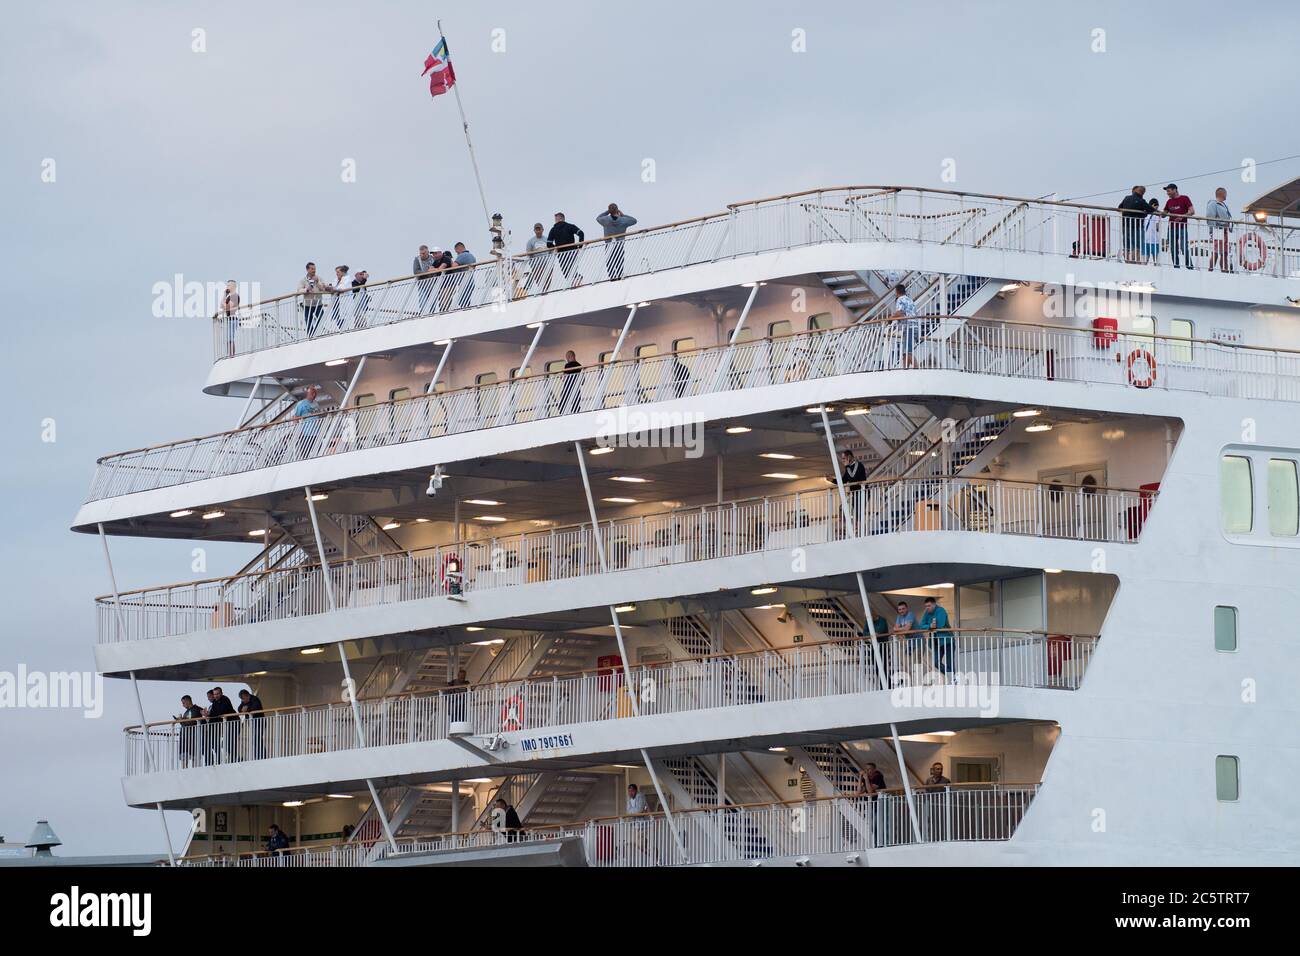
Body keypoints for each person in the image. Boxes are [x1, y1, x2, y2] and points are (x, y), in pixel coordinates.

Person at [596, 203, 638, 280]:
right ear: (617, 210)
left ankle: (612, 276)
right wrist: (623, 215)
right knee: (619, 259)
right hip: (619, 244)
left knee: (609, 260)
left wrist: (607, 212)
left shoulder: (605, 220)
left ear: (609, 210)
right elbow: (634, 220)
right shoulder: (623, 220)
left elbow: (598, 218)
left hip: (609, 243)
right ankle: (619, 274)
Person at [919, 595, 955, 679]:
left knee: (950, 662)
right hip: (935, 642)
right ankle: (949, 676)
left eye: (929, 606)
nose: (927, 608)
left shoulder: (941, 610)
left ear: (934, 604)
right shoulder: (927, 613)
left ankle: (952, 678)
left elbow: (940, 624)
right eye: (926, 606)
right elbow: (921, 625)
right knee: (936, 662)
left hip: (947, 640)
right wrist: (929, 626)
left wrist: (930, 626)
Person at [547, 213, 585, 285]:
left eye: (555, 219)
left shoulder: (553, 229)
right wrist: (579, 246)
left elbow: (548, 244)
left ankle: (573, 283)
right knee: (573, 268)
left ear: (558, 219)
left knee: (565, 271)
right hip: (572, 251)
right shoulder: (570, 226)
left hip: (561, 253)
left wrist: (556, 248)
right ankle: (578, 280)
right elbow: (581, 233)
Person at [1163, 184, 1195, 269]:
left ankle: (1189, 266)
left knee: (1183, 247)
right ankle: (1176, 267)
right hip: (1171, 228)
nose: (1167, 193)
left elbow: (1192, 211)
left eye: (1169, 191)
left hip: (1182, 227)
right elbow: (1164, 214)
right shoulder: (1169, 202)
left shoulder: (1184, 198)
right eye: (1167, 191)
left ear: (1175, 190)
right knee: (1173, 248)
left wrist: (1182, 217)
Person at [1205, 187, 1234, 273]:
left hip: (1225, 231)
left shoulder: (1224, 205)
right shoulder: (1213, 203)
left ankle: (1224, 270)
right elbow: (1210, 216)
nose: (1226, 195)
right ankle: (1210, 270)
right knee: (1216, 252)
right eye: (1225, 193)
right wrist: (1212, 230)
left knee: (1224, 253)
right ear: (1221, 193)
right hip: (1218, 230)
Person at [891, 283, 920, 368]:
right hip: (914, 326)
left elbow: (900, 312)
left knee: (908, 351)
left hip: (908, 327)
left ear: (897, 291)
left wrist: (890, 319)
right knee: (905, 352)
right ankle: (905, 370)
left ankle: (917, 369)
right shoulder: (909, 300)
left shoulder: (900, 299)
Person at [1118, 185, 1149, 263]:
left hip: (1126, 224)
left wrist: (1126, 213)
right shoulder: (1141, 201)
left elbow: (1119, 208)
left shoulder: (1126, 198)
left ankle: (1128, 260)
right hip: (1136, 225)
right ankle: (1135, 260)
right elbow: (1150, 209)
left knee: (1127, 243)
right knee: (1137, 244)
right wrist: (1143, 214)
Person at [298, 262, 331, 336]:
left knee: (321, 318)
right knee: (308, 322)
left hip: (318, 304)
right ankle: (311, 336)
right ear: (307, 269)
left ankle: (315, 332)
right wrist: (306, 289)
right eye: (312, 269)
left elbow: (323, 288)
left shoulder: (319, 278)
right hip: (307, 305)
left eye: (315, 269)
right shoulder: (303, 280)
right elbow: (299, 290)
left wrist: (317, 282)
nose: (314, 270)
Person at [206, 686, 237, 764]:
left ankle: (232, 759)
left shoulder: (225, 699)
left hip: (234, 722)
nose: (216, 696)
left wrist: (210, 714)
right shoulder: (215, 702)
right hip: (226, 724)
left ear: (221, 693)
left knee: (230, 741)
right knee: (226, 741)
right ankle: (228, 758)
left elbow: (222, 711)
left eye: (217, 694)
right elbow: (214, 715)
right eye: (214, 694)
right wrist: (207, 715)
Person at [293, 385, 323, 458]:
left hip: (317, 433)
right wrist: (299, 431)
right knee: (305, 454)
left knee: (319, 453)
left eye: (315, 393)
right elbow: (295, 417)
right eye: (312, 393)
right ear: (308, 394)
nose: (314, 395)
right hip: (306, 433)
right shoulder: (301, 404)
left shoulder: (316, 404)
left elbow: (319, 416)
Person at [176, 694, 204, 768]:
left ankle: (195, 770)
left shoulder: (197, 709)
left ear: (188, 701)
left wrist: (182, 720)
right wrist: (181, 720)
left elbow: (193, 721)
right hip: (185, 737)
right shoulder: (186, 712)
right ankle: (184, 770)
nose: (183, 705)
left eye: (183, 703)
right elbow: (186, 723)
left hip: (193, 737)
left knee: (194, 754)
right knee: (184, 755)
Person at [237, 689, 265, 760]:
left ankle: (260, 757)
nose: (243, 701)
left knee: (257, 739)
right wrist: (243, 709)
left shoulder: (255, 699)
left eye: (243, 698)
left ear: (247, 695)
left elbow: (255, 708)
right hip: (252, 723)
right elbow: (239, 708)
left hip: (259, 722)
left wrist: (247, 709)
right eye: (241, 699)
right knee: (256, 739)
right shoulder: (244, 701)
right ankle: (260, 756)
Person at [412, 244, 440, 312]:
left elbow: (437, 268)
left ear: (427, 252)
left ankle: (432, 314)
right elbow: (416, 271)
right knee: (422, 302)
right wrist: (427, 273)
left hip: (433, 284)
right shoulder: (417, 259)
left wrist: (433, 271)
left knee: (433, 301)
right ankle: (422, 314)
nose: (422, 255)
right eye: (421, 253)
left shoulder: (433, 258)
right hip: (422, 285)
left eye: (424, 253)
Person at [524, 222, 551, 292]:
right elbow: (528, 253)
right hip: (536, 265)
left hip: (547, 264)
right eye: (537, 229)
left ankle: (546, 293)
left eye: (539, 229)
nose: (538, 231)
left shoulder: (547, 239)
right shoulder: (530, 241)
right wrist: (536, 251)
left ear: (542, 230)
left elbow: (552, 250)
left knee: (548, 281)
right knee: (540, 282)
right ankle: (542, 293)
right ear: (534, 231)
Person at [452, 241, 477, 307]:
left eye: (456, 252)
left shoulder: (462, 255)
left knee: (462, 301)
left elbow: (453, 266)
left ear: (459, 249)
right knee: (466, 301)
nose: (457, 254)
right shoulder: (472, 256)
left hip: (464, 282)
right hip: (471, 281)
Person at [221, 279, 241, 357]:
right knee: (229, 339)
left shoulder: (235, 296)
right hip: (230, 319)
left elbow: (228, 307)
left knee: (231, 338)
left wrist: (224, 305)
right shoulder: (229, 297)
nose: (227, 287)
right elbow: (221, 305)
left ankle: (232, 355)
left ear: (234, 286)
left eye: (229, 285)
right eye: (227, 285)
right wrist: (224, 295)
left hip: (233, 319)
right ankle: (230, 354)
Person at [1142, 199, 1162, 264]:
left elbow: (1157, 226)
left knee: (1149, 260)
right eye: (1155, 205)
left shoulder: (1148, 215)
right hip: (1151, 240)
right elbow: (1157, 227)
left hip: (1150, 239)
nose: (1157, 206)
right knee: (1152, 260)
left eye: (1157, 205)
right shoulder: (1153, 215)